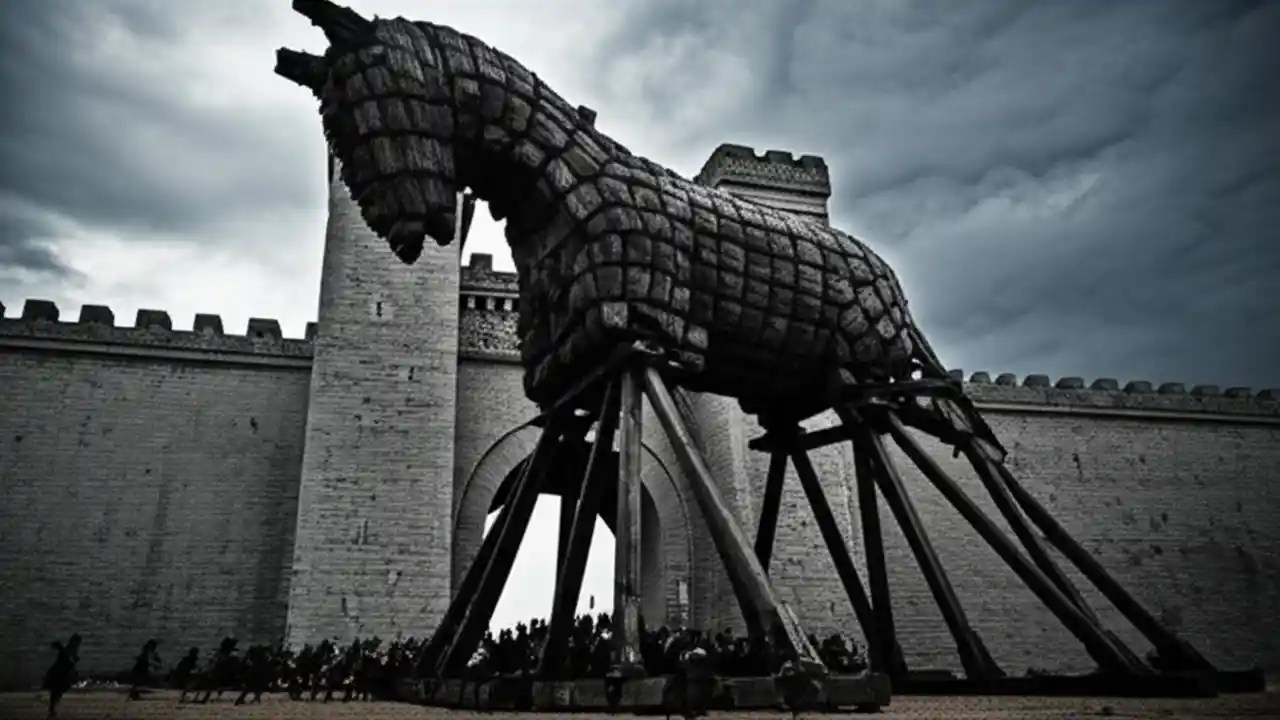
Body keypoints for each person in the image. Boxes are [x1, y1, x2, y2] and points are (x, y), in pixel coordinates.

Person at [42, 633, 81, 718]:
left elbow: (70, 659)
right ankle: (52, 709)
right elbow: (69, 660)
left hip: (60, 674)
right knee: (56, 692)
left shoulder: (70, 650)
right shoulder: (69, 650)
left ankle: (52, 709)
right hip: (58, 674)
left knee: (56, 693)